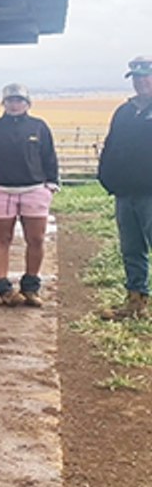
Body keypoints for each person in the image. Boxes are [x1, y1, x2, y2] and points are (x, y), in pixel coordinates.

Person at [0, 83, 60, 307]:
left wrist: (51, 183)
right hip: (0, 190)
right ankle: (4, 288)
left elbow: (49, 156)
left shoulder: (39, 127)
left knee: (36, 238)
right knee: (2, 238)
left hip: (34, 189)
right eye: (10, 100)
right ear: (4, 103)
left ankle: (30, 287)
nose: (14, 105)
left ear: (27, 103)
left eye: (19, 100)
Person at [97, 55, 152, 320]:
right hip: (125, 193)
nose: (140, 82)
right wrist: (107, 177)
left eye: (145, 76)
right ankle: (136, 302)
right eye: (136, 78)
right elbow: (110, 146)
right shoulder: (124, 112)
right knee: (131, 249)